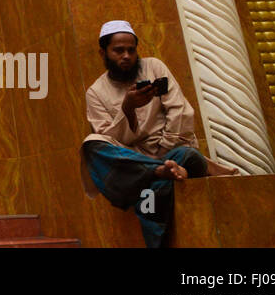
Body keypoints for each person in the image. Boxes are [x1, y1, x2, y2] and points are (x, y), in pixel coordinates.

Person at [81, 20, 237, 247]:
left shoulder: (154, 67)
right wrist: (127, 108)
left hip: (172, 152)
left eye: (131, 50)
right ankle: (159, 172)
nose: (126, 56)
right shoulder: (95, 92)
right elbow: (111, 141)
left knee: (186, 158)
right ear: (102, 53)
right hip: (134, 159)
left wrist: (163, 153)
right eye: (118, 51)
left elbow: (179, 112)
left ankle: (159, 172)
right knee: (91, 144)